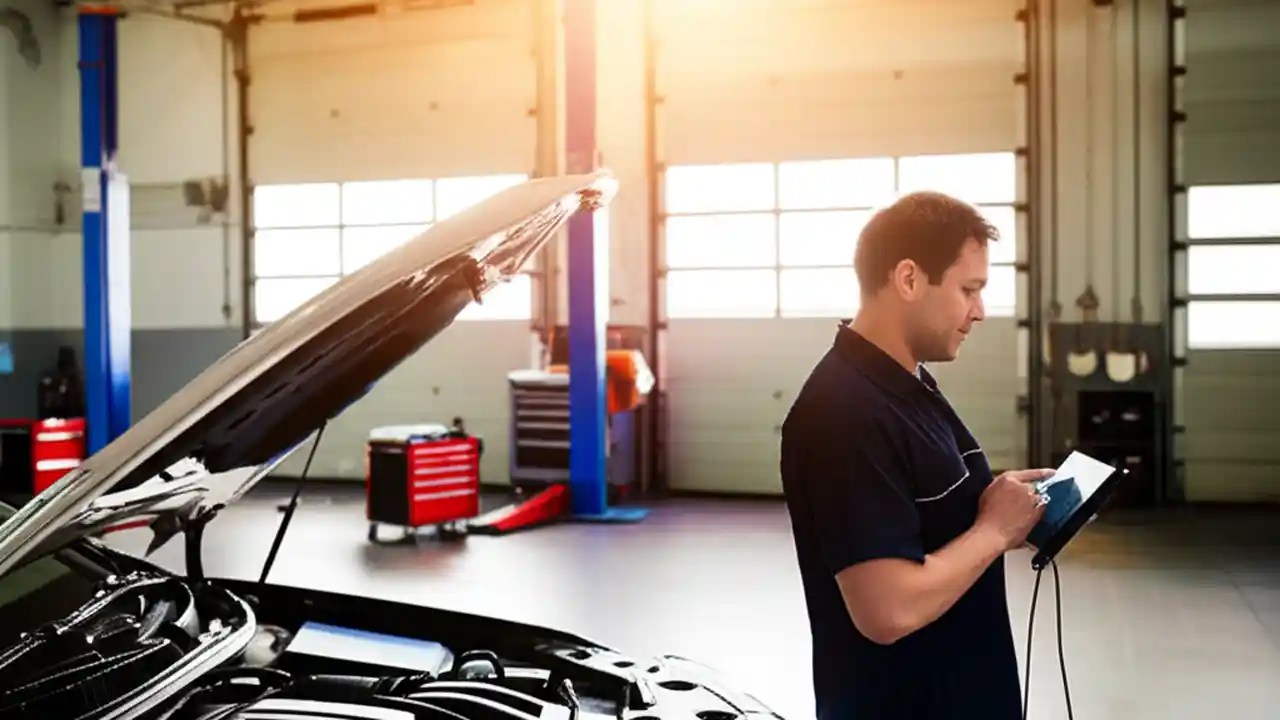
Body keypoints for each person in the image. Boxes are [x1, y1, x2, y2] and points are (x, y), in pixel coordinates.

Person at [779, 191, 1052, 719]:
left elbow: (927, 512)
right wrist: (993, 532)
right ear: (908, 279)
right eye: (968, 289)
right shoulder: (844, 412)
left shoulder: (906, 385)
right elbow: (887, 609)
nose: (980, 311)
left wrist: (999, 507)